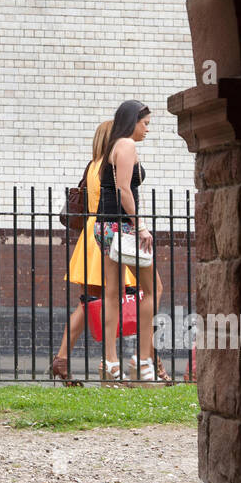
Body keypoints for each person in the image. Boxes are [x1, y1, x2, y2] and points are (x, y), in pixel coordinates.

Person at [95, 99, 168, 382]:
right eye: (145, 123)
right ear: (132, 122)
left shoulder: (111, 146)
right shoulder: (126, 145)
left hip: (104, 227)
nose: (147, 130)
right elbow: (125, 190)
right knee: (154, 289)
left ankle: (110, 364)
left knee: (112, 294)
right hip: (122, 228)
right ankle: (142, 359)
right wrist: (140, 227)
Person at [49, 119, 114, 384]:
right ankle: (119, 363)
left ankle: (62, 360)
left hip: (91, 233)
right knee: (121, 299)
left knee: (89, 302)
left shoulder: (93, 166)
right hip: (105, 235)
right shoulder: (109, 166)